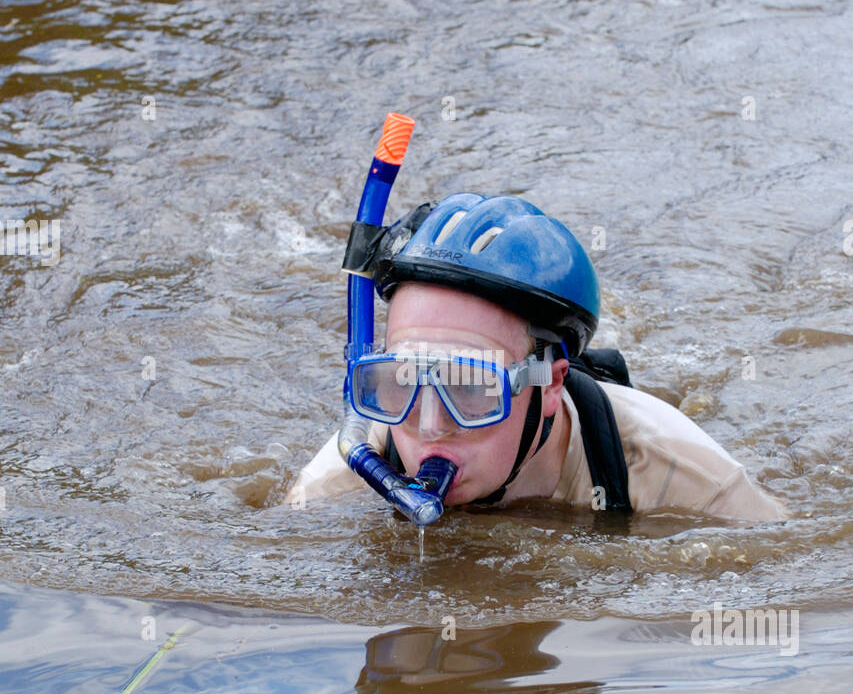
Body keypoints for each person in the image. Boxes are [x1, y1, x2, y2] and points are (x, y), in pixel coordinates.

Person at [286, 192, 787, 522]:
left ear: (549, 384)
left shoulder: (693, 483)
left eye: (470, 387)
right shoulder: (340, 480)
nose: (431, 425)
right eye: (401, 378)